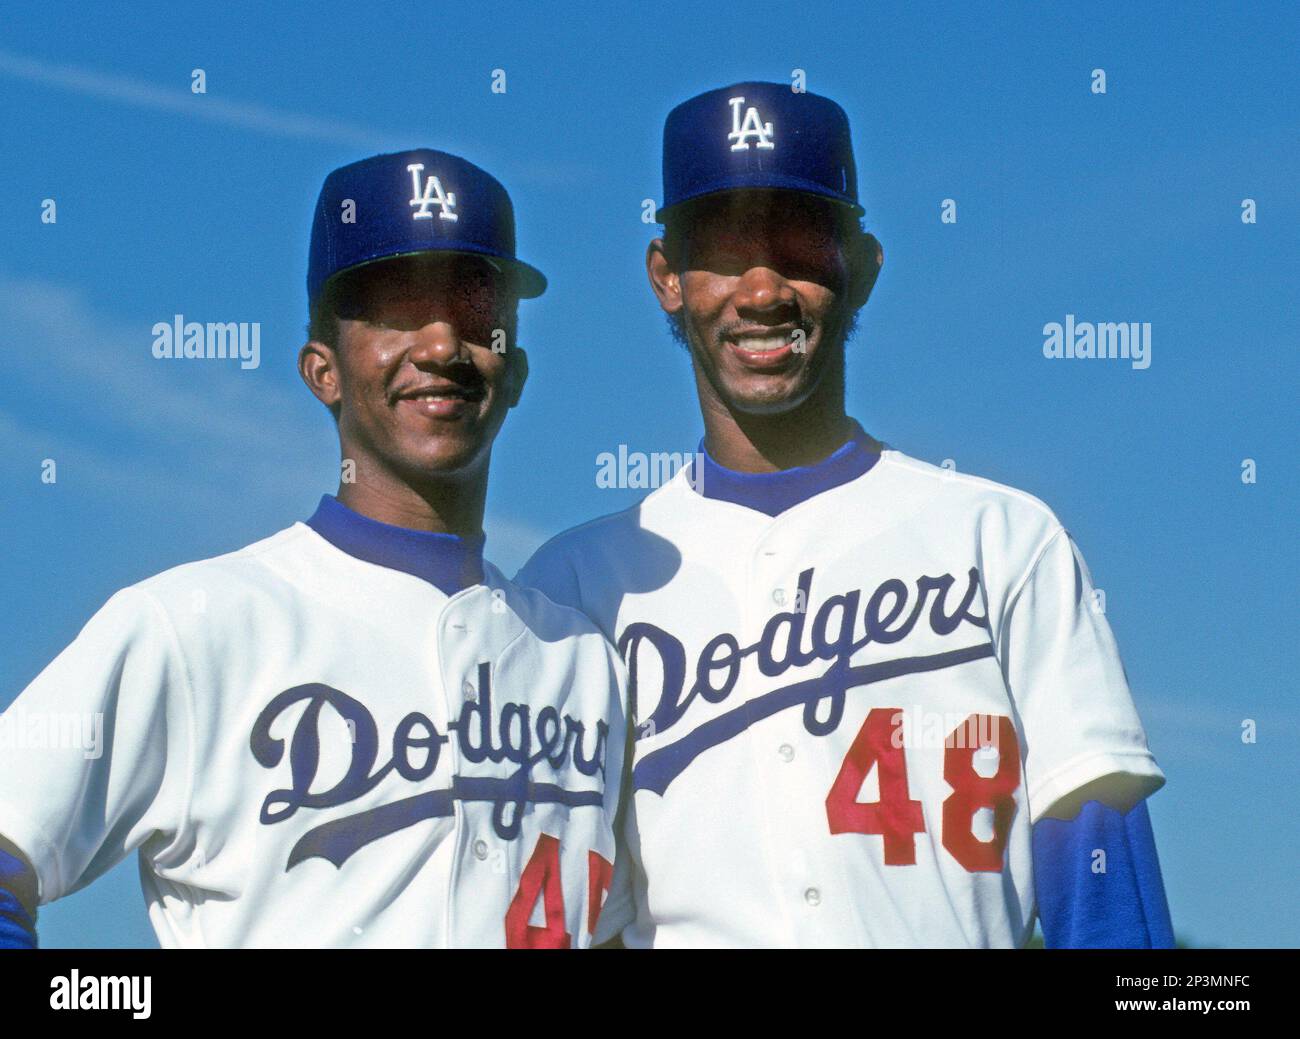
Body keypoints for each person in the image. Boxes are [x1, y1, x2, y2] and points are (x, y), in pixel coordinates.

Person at [518, 83, 1173, 948]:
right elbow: (564, 921)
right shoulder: (574, 592)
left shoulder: (1000, 539)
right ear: (666, 277)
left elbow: (1104, 881)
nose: (761, 290)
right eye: (720, 246)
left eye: (796, 242)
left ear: (861, 266)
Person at [0, 149, 624, 949]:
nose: (440, 344)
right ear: (321, 370)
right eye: (397, 310)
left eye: (475, 309)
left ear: (517, 369)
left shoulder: (583, 664)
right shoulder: (196, 623)